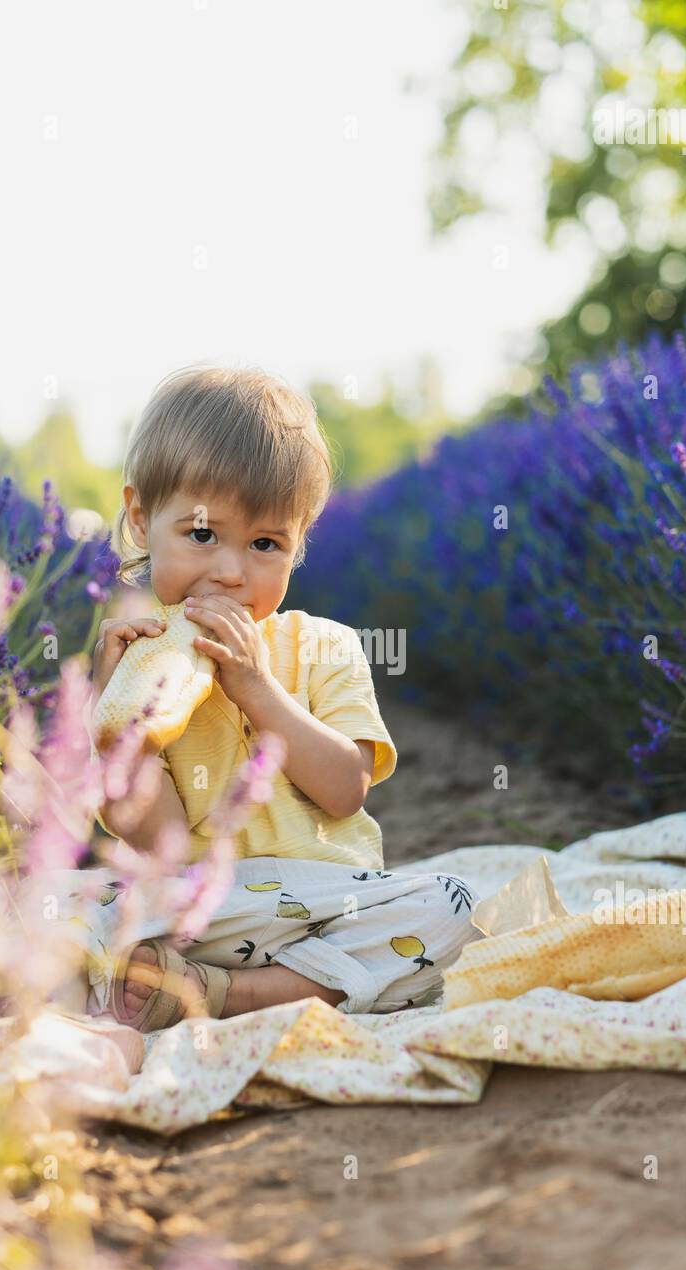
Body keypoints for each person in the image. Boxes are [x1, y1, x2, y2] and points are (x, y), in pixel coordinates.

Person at [80, 364, 485, 1033]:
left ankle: (228, 995)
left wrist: (255, 686)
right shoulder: (140, 655)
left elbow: (344, 789)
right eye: (202, 534)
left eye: (266, 543)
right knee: (63, 914)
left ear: (297, 547)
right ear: (141, 518)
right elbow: (162, 841)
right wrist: (115, 719)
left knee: (451, 908)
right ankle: (176, 979)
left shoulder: (325, 646)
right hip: (201, 906)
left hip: (325, 907)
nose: (233, 571)